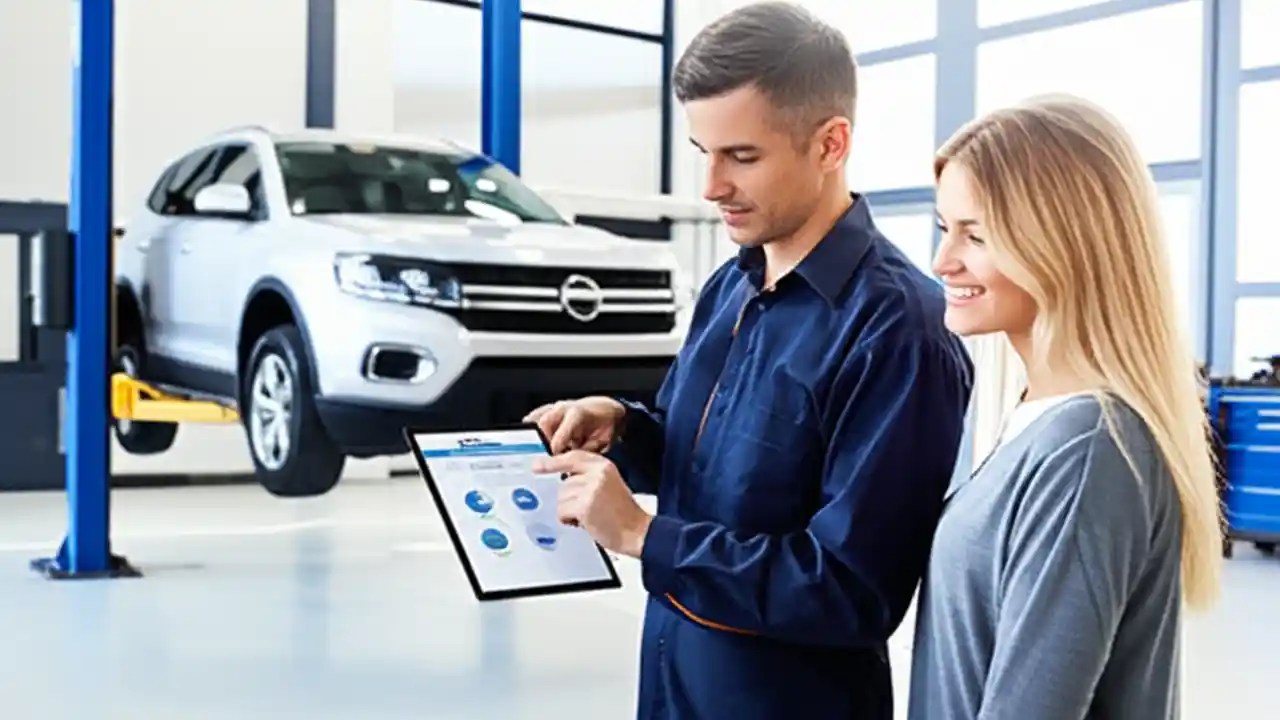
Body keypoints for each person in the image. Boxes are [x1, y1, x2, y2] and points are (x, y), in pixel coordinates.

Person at [525, 3, 973, 718]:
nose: (710, 186)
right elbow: (703, 457)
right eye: (704, 151)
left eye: (742, 156)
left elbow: (852, 590)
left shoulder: (901, 329)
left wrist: (644, 535)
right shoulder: (730, 286)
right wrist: (625, 429)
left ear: (831, 144)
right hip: (675, 687)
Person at [909, 94, 1224, 719]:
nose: (943, 261)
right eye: (947, 229)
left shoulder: (1086, 451)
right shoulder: (1040, 417)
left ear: (1062, 243)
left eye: (975, 234)